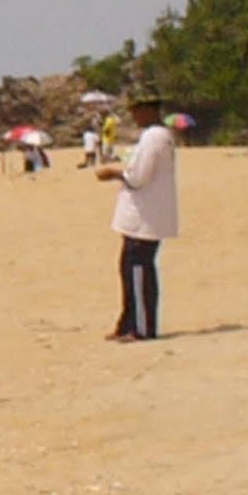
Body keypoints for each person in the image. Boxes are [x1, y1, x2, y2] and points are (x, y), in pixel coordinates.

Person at [95, 91, 178, 341]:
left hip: (146, 217)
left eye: (136, 111)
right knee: (129, 269)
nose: (134, 116)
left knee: (139, 271)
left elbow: (139, 177)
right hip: (143, 216)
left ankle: (142, 328)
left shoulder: (154, 136)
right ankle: (127, 322)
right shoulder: (158, 136)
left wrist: (114, 173)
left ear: (148, 110)